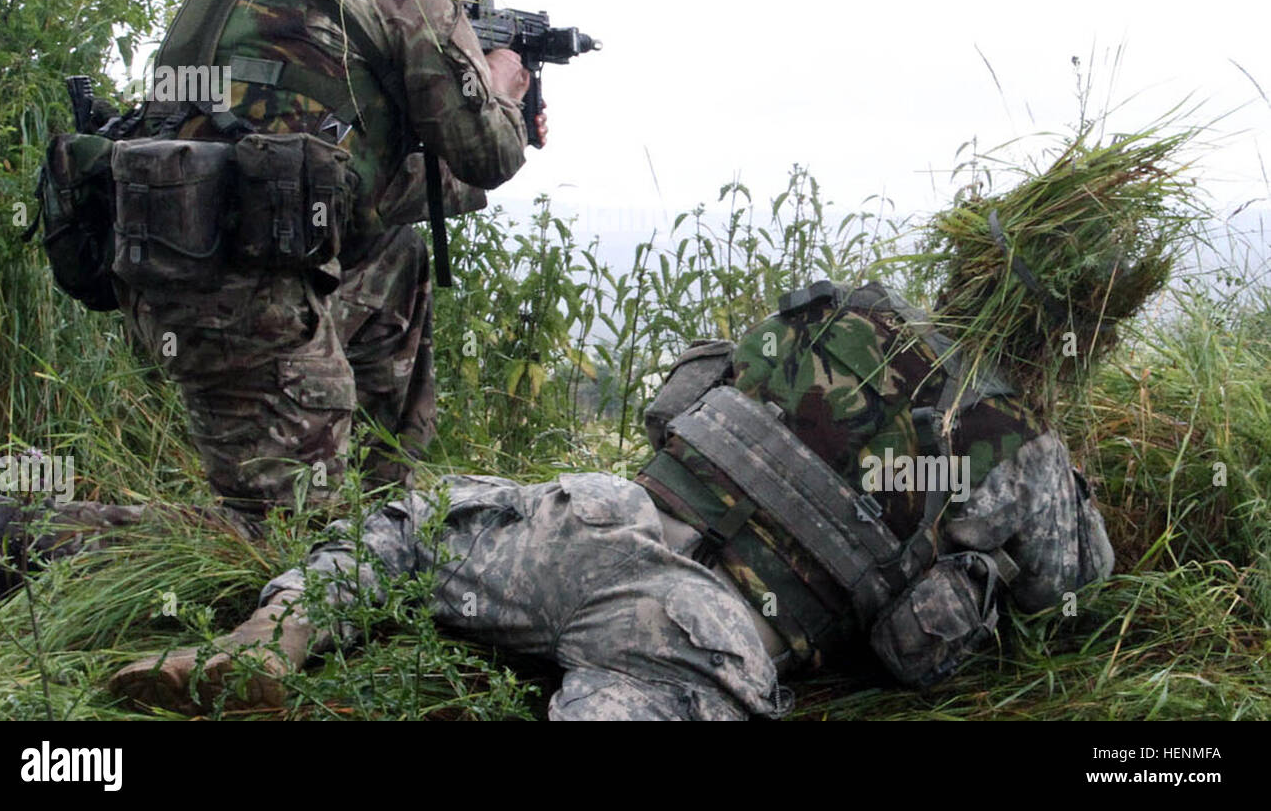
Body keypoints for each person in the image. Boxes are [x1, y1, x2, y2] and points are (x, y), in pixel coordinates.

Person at [0, 0, 541, 610]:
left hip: (170, 260)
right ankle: (9, 529)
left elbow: (337, 184)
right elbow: (489, 151)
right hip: (243, 297)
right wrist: (506, 89)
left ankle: (373, 524)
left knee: (397, 258)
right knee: (271, 553)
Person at [109, 275, 1116, 720]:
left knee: (410, 521)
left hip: (599, 522)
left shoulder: (850, 311)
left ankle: (261, 644)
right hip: (701, 621)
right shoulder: (1018, 445)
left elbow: (674, 400)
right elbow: (1067, 588)